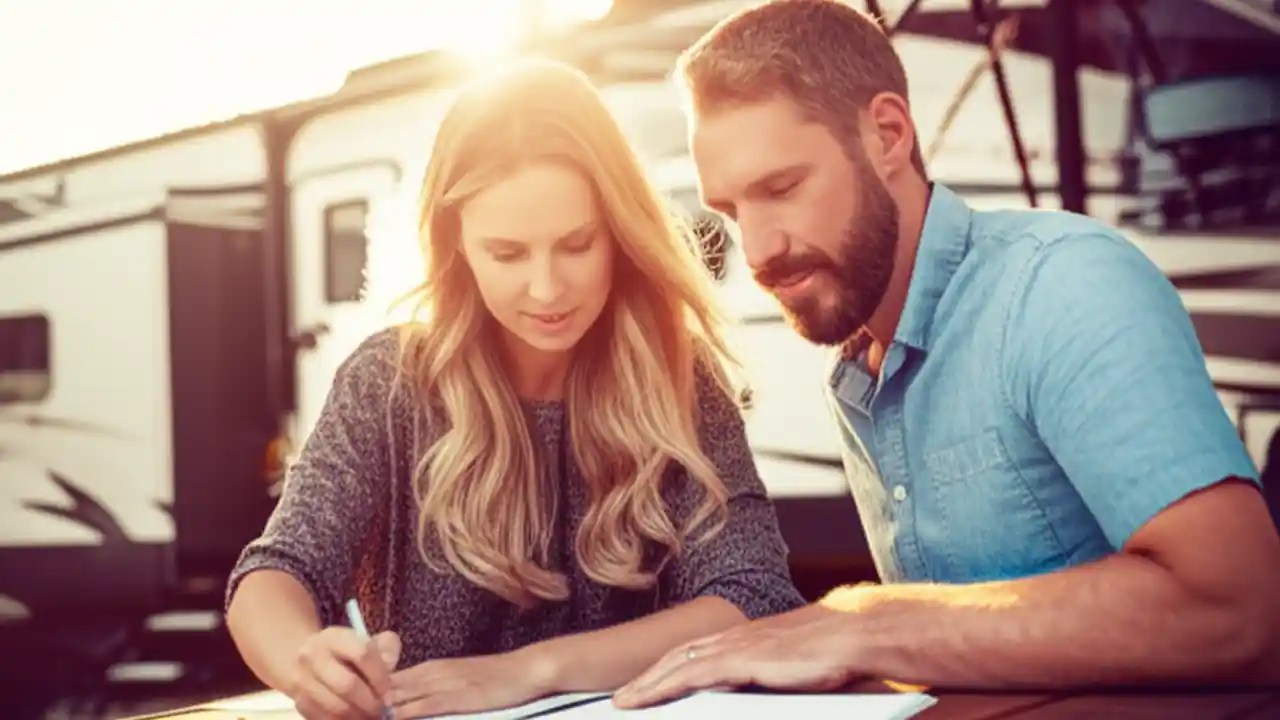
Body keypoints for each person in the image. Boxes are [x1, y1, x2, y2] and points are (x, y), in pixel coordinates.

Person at [613, 0, 1280, 707]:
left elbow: (1241, 609)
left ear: (889, 135)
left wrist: (863, 624)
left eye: (782, 188)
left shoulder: (1059, 285)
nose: (757, 250)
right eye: (730, 212)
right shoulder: (857, 370)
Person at [224, 58, 805, 720]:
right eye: (507, 253)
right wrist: (306, 662)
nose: (547, 289)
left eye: (577, 244)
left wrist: (533, 672)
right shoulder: (388, 382)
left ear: (619, 230)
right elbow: (273, 575)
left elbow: (756, 594)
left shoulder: (677, 373)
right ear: (457, 246)